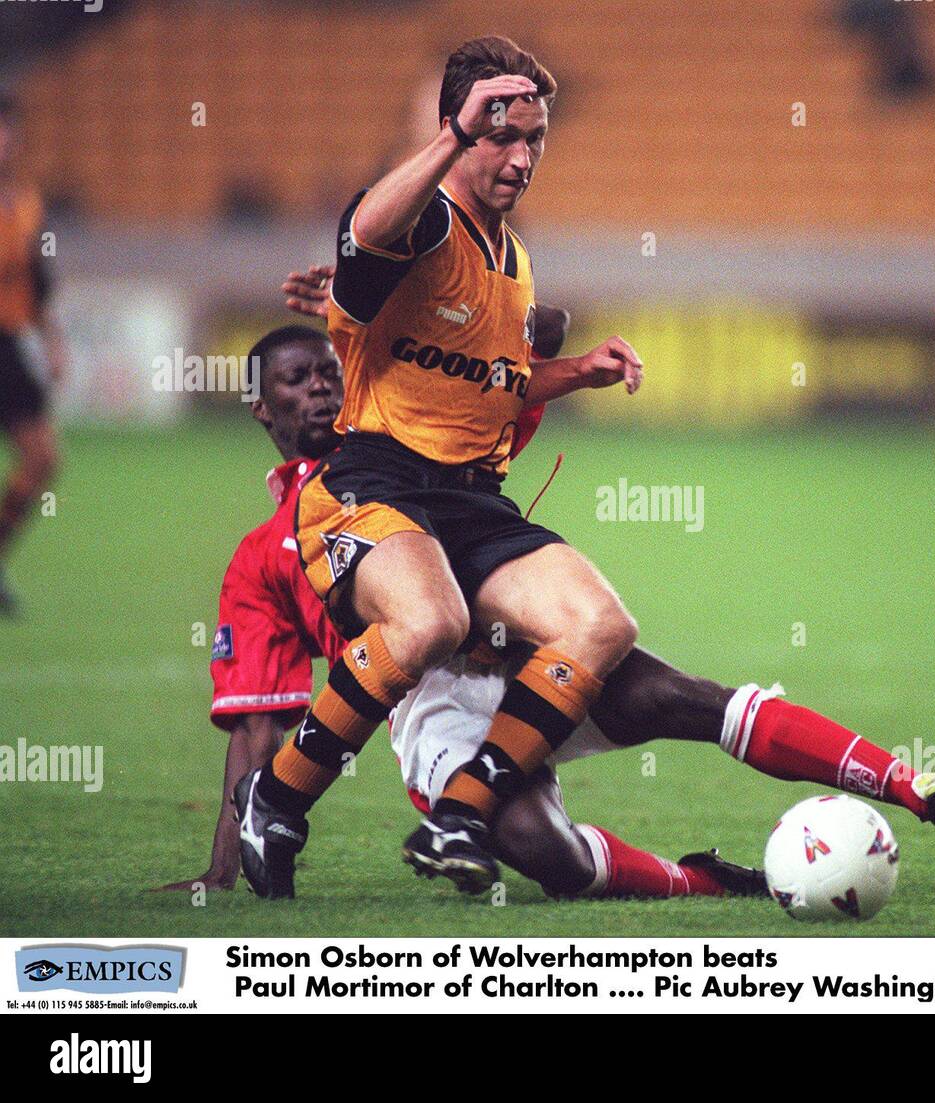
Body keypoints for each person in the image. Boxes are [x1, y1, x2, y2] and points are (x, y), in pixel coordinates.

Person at [235, 35, 650, 899]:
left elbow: (493, 383)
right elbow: (363, 230)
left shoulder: (513, 256)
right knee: (428, 627)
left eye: (533, 137)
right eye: (504, 136)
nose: (522, 156)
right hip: (375, 482)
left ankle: (461, 807)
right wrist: (455, 137)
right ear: (459, 131)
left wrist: (581, 371)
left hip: (469, 498)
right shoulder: (423, 220)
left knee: (604, 625)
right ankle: (276, 796)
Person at [154, 323, 763, 899]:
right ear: (261, 405)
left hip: (528, 651)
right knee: (544, 853)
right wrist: (223, 870)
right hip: (434, 700)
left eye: (330, 372)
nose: (319, 386)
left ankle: (843, 776)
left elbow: (541, 326)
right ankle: (699, 880)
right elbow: (258, 721)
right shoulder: (262, 558)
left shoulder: (422, 442)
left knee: (688, 698)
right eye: (297, 378)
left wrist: (384, 305)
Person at [0, 91, 64, 615]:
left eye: (8, 128)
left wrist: (52, 339)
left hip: (9, 344)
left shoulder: (25, 202)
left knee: (43, 459)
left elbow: (37, 280)